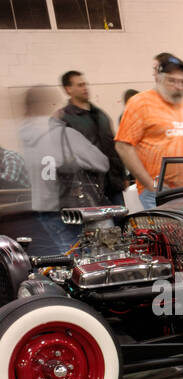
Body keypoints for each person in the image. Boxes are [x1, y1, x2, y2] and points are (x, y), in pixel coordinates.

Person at [20, 86, 108, 254]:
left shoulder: (25, 135)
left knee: (66, 252)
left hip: (42, 207)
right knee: (90, 255)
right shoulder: (65, 135)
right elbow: (102, 163)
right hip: (71, 207)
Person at [115, 53, 183, 209]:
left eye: (182, 82)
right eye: (171, 81)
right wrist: (149, 184)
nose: (178, 86)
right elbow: (123, 146)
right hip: (160, 192)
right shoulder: (140, 103)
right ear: (159, 79)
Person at [57, 70, 127, 205]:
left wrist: (121, 175)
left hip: (113, 184)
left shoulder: (100, 114)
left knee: (121, 222)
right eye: (80, 85)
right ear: (68, 89)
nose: (85, 88)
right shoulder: (64, 119)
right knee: (101, 226)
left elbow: (113, 146)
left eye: (85, 84)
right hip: (88, 188)